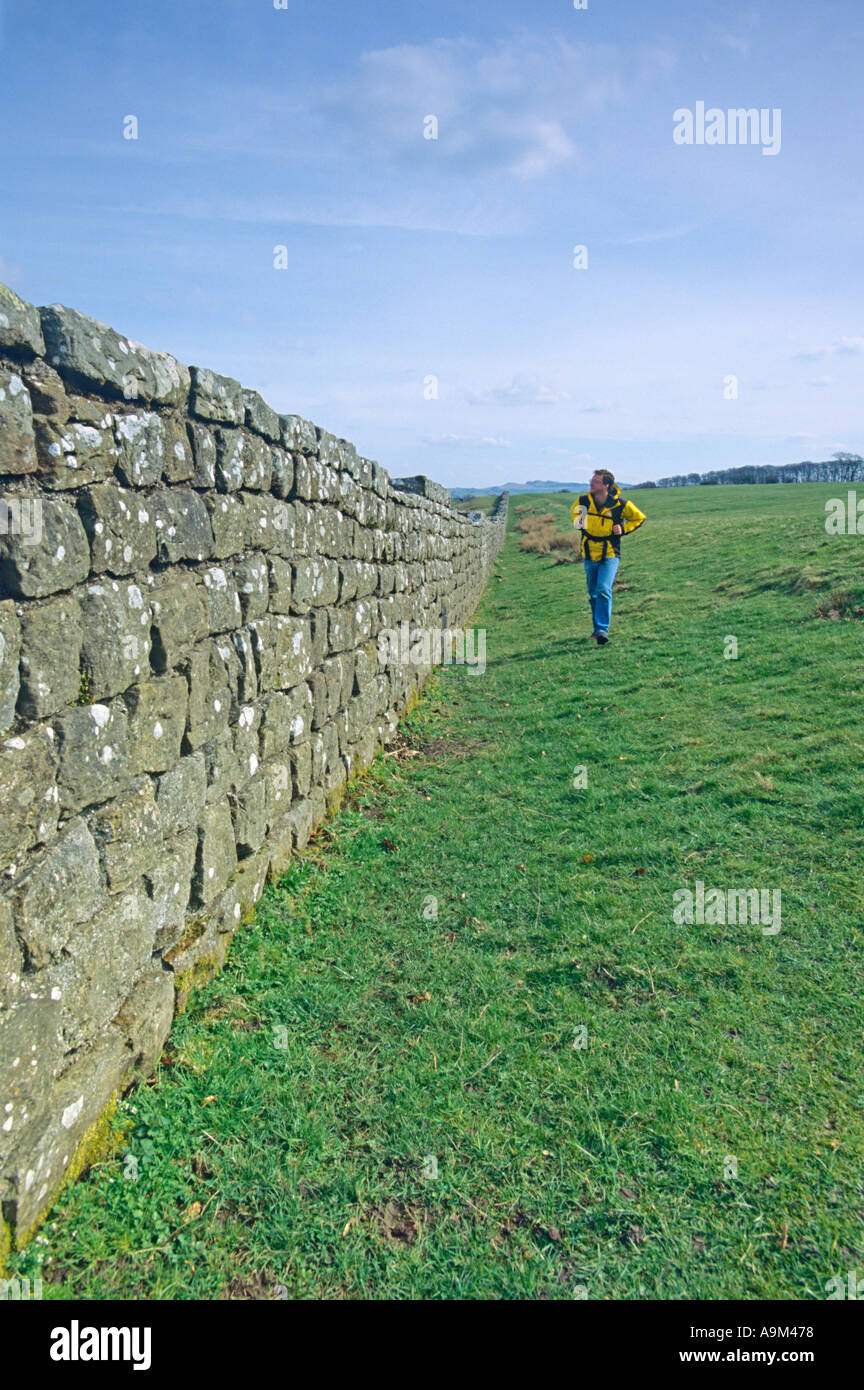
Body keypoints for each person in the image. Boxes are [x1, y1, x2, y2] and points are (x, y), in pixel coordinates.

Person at [571, 471, 646, 645]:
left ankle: (602, 630)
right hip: (589, 552)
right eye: (591, 480)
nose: (591, 484)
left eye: (595, 481)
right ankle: (597, 630)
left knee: (603, 588)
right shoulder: (583, 501)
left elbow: (639, 518)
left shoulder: (620, 504)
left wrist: (623, 529)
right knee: (593, 593)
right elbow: (577, 522)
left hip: (611, 552)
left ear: (606, 485)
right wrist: (580, 521)